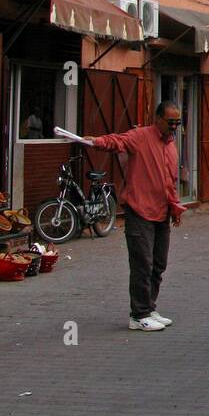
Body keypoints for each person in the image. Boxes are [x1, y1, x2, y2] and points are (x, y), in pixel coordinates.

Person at [83, 102, 185, 332]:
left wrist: (175, 206)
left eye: (177, 122)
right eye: (171, 122)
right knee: (142, 263)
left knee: (159, 263)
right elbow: (116, 141)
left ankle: (149, 307)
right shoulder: (140, 136)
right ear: (157, 118)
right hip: (140, 210)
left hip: (162, 211)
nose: (174, 126)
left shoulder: (170, 143)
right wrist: (94, 141)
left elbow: (170, 179)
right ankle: (139, 314)